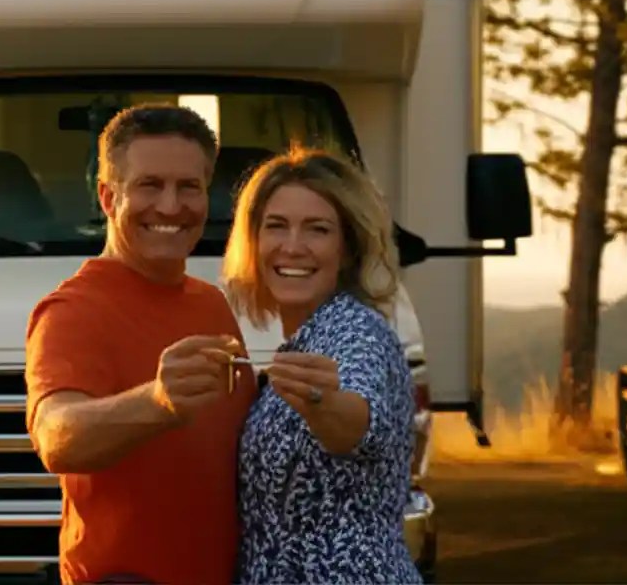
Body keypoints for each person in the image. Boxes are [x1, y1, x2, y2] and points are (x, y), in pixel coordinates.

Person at [24, 103, 258, 585]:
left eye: (189, 187)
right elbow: (54, 436)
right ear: (108, 198)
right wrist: (157, 400)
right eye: (150, 185)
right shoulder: (72, 309)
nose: (171, 207)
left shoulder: (211, 303)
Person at [221, 145, 422, 584]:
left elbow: (358, 423)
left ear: (347, 249)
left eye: (318, 230)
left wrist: (323, 403)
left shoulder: (355, 333)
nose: (293, 247)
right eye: (276, 226)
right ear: (253, 242)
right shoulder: (304, 336)